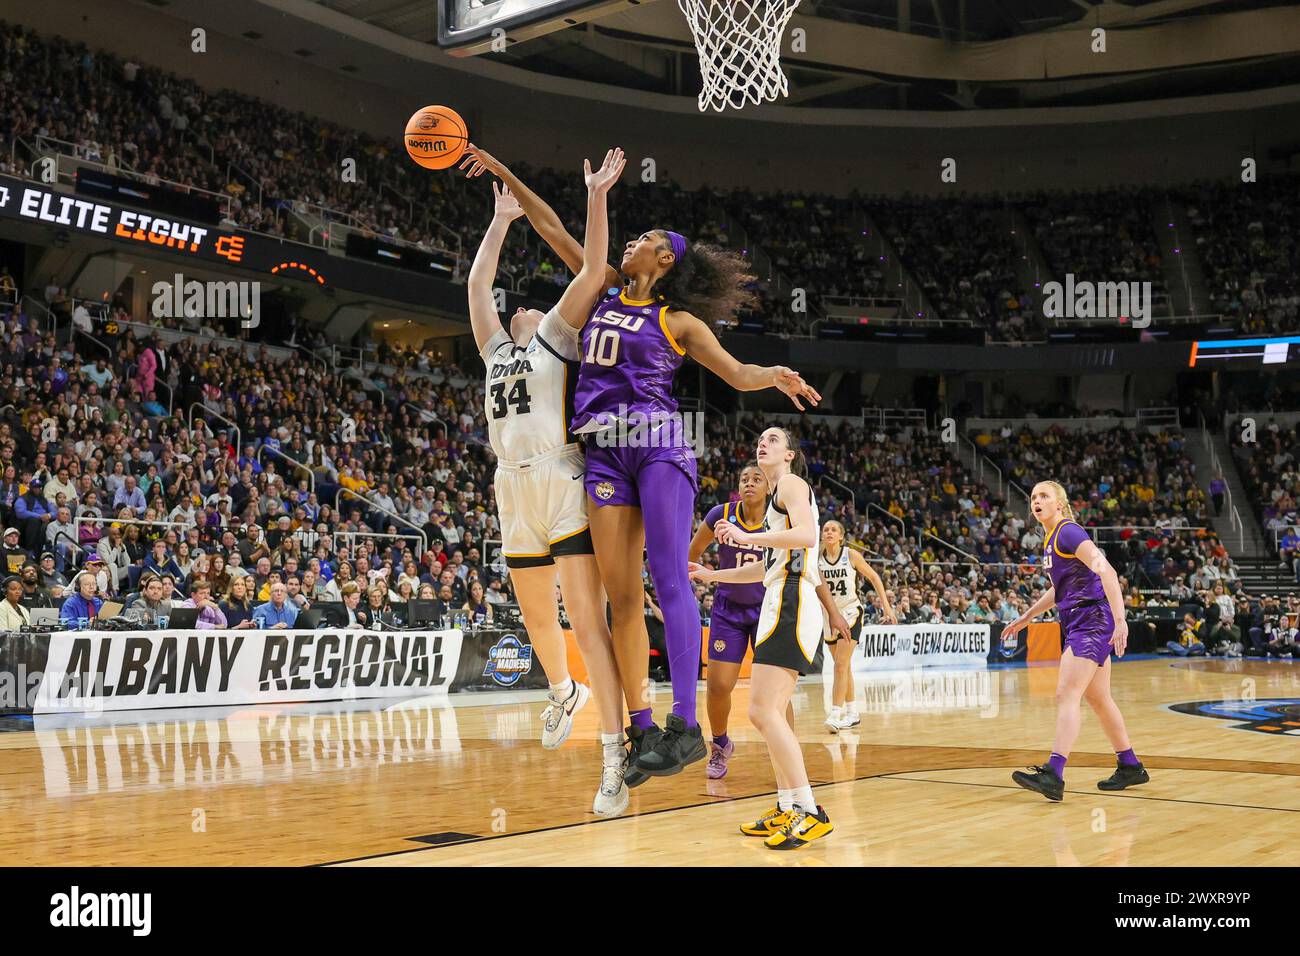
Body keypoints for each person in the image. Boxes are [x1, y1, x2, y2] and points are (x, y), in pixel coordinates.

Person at [460, 143, 820, 781]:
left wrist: (775, 376)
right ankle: (642, 729)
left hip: (658, 443)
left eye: (646, 237)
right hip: (599, 454)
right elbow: (550, 226)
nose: (632, 242)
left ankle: (685, 723)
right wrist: (503, 172)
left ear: (666, 259)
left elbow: (735, 373)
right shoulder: (596, 289)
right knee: (623, 598)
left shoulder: (678, 320)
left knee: (669, 575)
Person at [466, 166, 628, 814]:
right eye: (519, 306)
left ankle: (614, 756)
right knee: (536, 618)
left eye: (528, 304)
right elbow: (479, 284)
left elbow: (591, 272)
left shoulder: (558, 340)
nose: (518, 307)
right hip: (510, 484)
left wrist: (593, 197)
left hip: (561, 476)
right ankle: (563, 691)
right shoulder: (495, 349)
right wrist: (499, 223)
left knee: (585, 620)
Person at [689, 427, 834, 849]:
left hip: (793, 598)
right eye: (761, 439)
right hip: (779, 593)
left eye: (773, 440)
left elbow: (807, 536)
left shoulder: (791, 484)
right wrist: (713, 574)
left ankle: (809, 809)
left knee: (763, 711)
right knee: (765, 712)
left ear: (789, 455)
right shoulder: (775, 501)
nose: (763, 443)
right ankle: (788, 804)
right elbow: (765, 567)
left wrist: (747, 537)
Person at [1001, 480, 1149, 801]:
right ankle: (1130, 765)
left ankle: (1054, 774)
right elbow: (1061, 589)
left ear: (1060, 504)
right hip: (1076, 619)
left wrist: (1120, 619)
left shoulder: (1069, 531)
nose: (1037, 501)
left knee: (1066, 693)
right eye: (1033, 497)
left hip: (1091, 619)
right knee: (1098, 699)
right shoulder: (1052, 539)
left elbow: (1106, 570)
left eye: (1044, 496)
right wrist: (1027, 616)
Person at [687, 463, 767, 779]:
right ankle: (720, 744)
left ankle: (782, 748)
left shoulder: (779, 520)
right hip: (728, 609)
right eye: (744, 478)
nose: (749, 483)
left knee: (772, 690)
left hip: (767, 610)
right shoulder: (722, 513)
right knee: (719, 686)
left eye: (757, 478)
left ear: (769, 487)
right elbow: (692, 552)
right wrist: (688, 583)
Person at [817, 519, 896, 733]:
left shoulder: (850, 555)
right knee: (844, 666)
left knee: (840, 665)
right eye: (826, 529)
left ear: (841, 536)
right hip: (829, 617)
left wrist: (887, 607)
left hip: (851, 612)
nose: (829, 532)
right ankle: (852, 713)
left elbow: (874, 577)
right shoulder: (816, 558)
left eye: (834, 529)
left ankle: (835, 713)